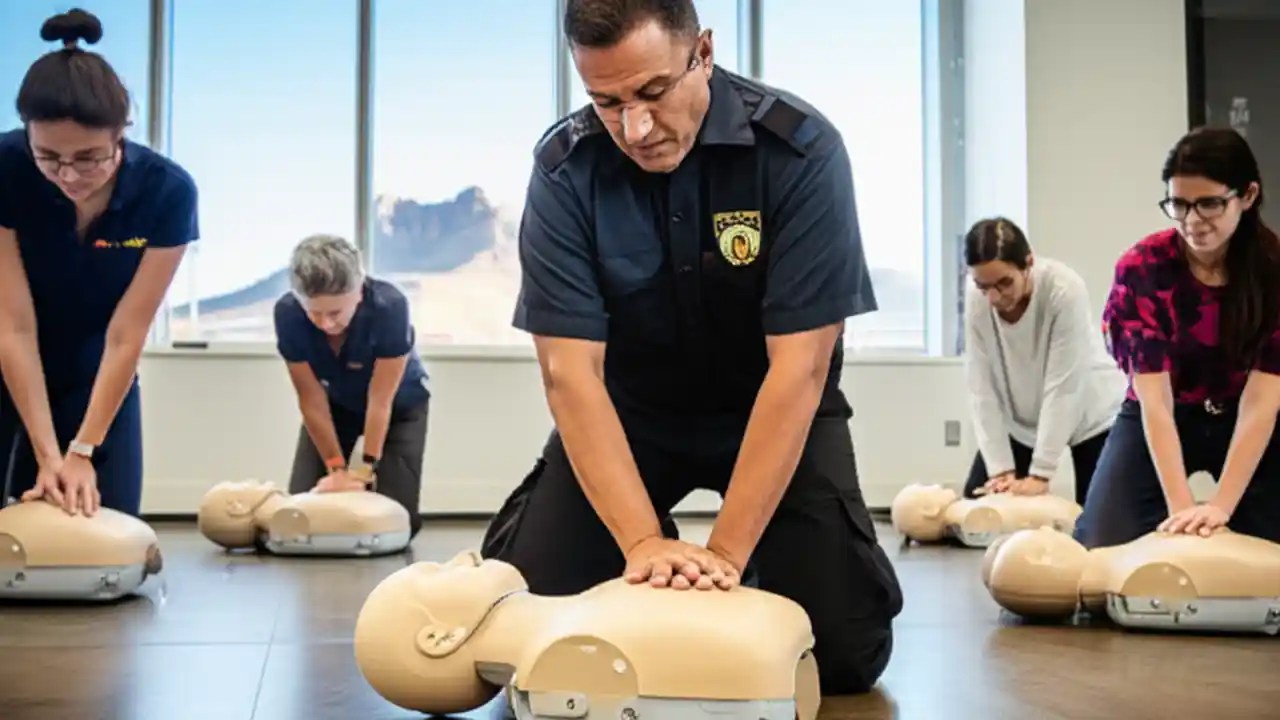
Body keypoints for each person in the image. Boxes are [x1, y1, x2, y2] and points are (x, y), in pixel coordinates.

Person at [479, 0, 902, 694]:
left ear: (702, 52)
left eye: (652, 92)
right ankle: (652, 548)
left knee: (844, 656)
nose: (635, 128)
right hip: (633, 420)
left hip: (770, 410)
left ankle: (773, 556)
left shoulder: (801, 150)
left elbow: (800, 369)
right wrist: (644, 546)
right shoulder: (563, 170)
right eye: (606, 102)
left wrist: (726, 557)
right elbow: (569, 376)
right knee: (531, 614)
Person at [0, 10, 198, 517]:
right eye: (47, 156)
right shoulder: (4, 168)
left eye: (89, 157)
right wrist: (47, 454)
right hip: (9, 357)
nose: (68, 175)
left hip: (98, 367)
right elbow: (14, 326)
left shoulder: (167, 192)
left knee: (106, 530)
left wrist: (81, 450)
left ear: (120, 137)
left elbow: (126, 335)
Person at [1074, 126, 1280, 549]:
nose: (1192, 221)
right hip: (1167, 414)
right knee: (1100, 540)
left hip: (1249, 413)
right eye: (1179, 204)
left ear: (1248, 195)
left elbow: (1262, 402)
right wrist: (1183, 512)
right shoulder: (1143, 268)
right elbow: (1155, 403)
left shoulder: (1273, 271)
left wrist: (1220, 507)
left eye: (1209, 204)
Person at [273, 234, 430, 539]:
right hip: (335, 407)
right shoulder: (288, 314)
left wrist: (362, 471)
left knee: (395, 522)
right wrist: (335, 468)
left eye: (335, 313)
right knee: (298, 516)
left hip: (399, 407)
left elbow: (380, 399)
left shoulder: (390, 307)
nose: (326, 324)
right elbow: (311, 398)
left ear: (359, 290)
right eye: (314, 313)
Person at [962, 217, 1124, 506]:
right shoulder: (979, 295)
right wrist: (1001, 469)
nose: (994, 297)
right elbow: (980, 386)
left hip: (1091, 413)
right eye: (984, 286)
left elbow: (1063, 384)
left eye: (1004, 283)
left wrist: (1041, 473)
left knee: (1097, 529)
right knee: (977, 517)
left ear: (1028, 263)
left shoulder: (1064, 289)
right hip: (1022, 420)